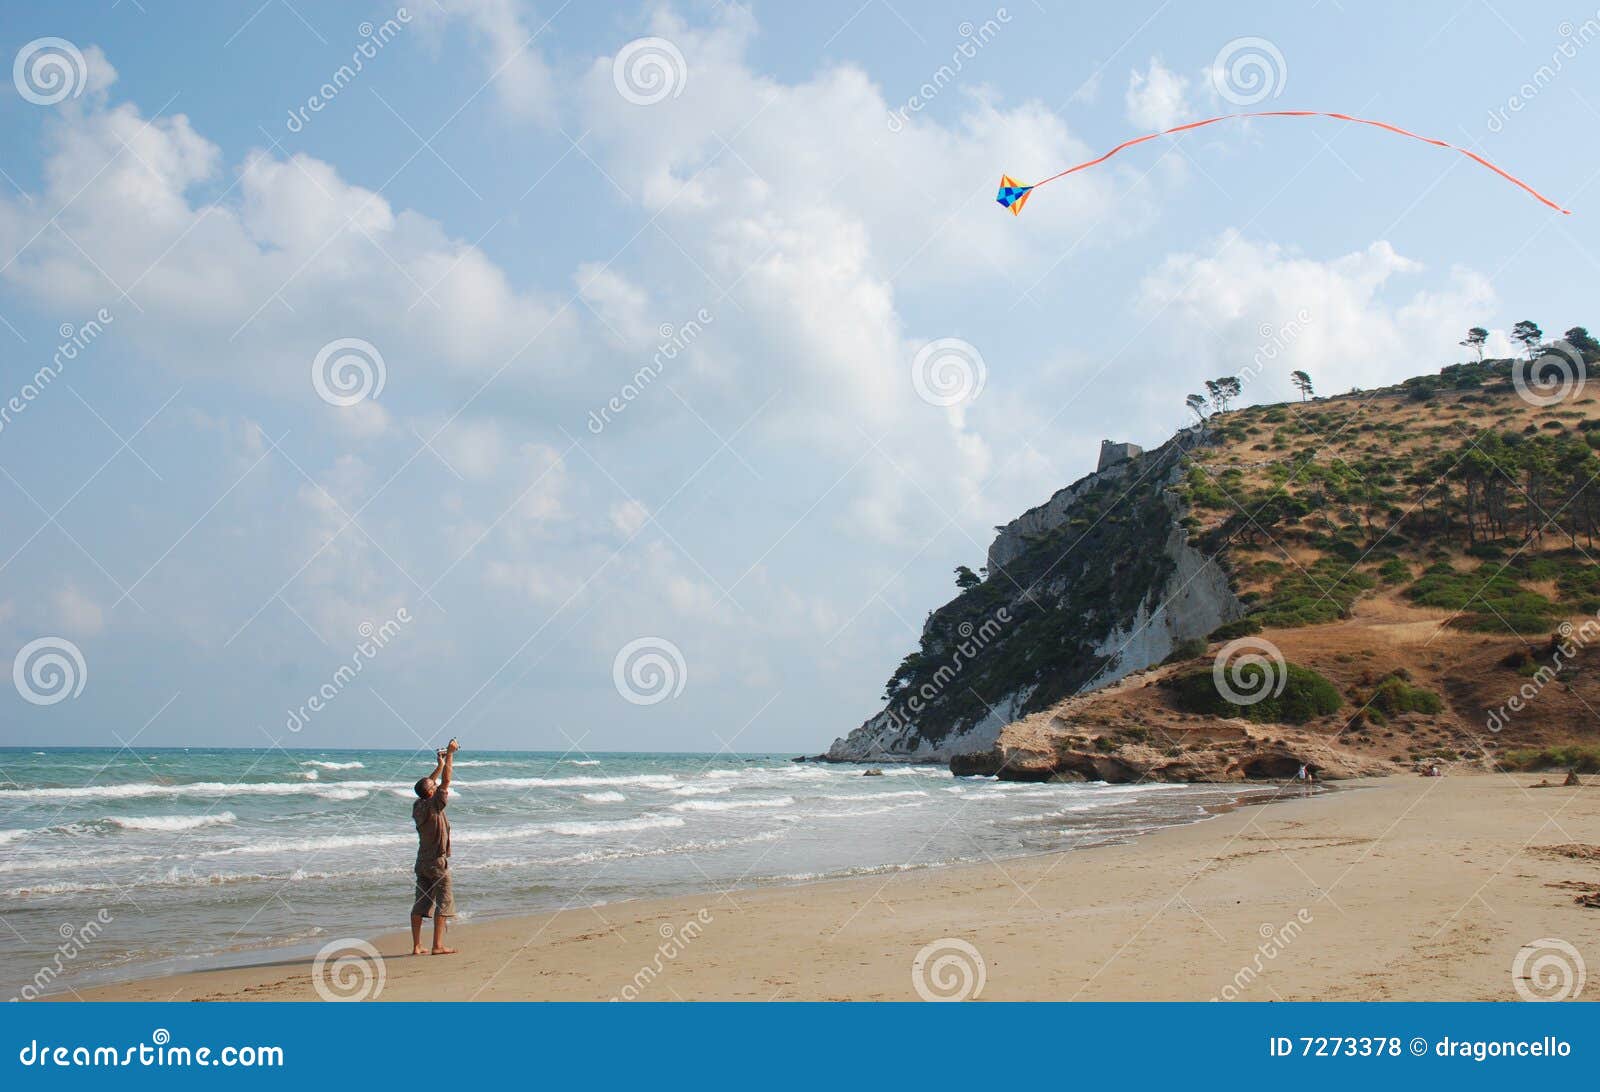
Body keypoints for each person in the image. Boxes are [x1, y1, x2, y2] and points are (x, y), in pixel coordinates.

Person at [411, 738, 459, 956]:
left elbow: (428, 784)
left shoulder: (418, 805)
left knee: (420, 903)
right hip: (437, 862)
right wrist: (450, 754)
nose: (436, 783)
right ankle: (438, 946)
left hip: (421, 861)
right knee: (444, 901)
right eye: (433, 785)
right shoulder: (435, 804)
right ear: (431, 792)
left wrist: (437, 766)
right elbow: (446, 781)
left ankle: (416, 946)